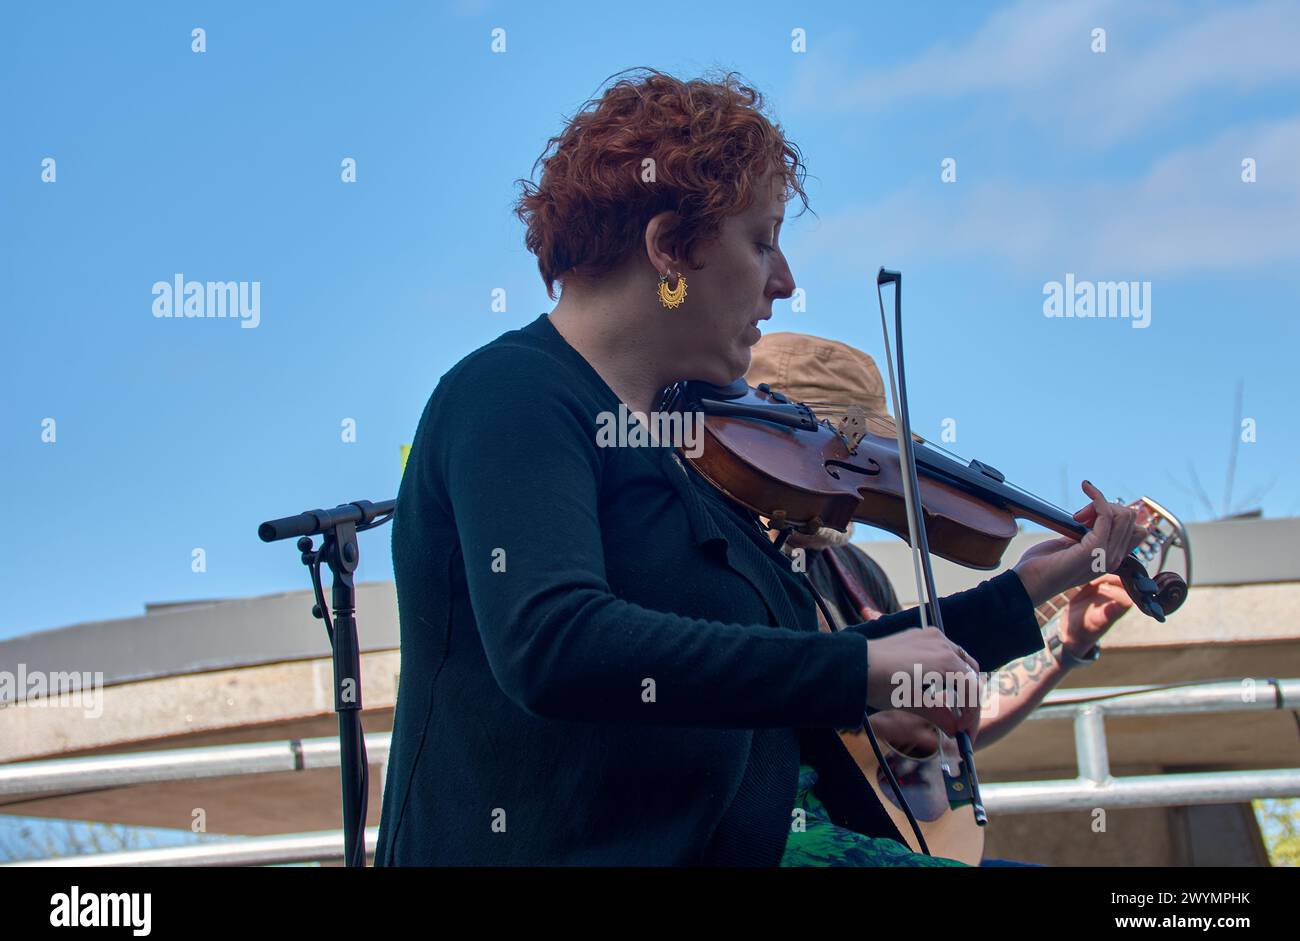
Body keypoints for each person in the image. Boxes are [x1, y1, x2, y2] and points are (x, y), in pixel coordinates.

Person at [373, 68, 1144, 867]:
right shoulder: (512, 393)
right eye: (762, 240)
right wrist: (858, 667)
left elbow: (779, 658)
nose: (785, 281)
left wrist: (1030, 587)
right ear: (670, 248)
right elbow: (553, 641)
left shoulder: (680, 456)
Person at [745, 331, 1135, 863]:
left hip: (871, 831)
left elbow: (946, 729)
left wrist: (1064, 645)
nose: (862, 477)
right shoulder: (726, 558)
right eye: (840, 444)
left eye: (864, 451)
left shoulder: (855, 572)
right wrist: (870, 704)